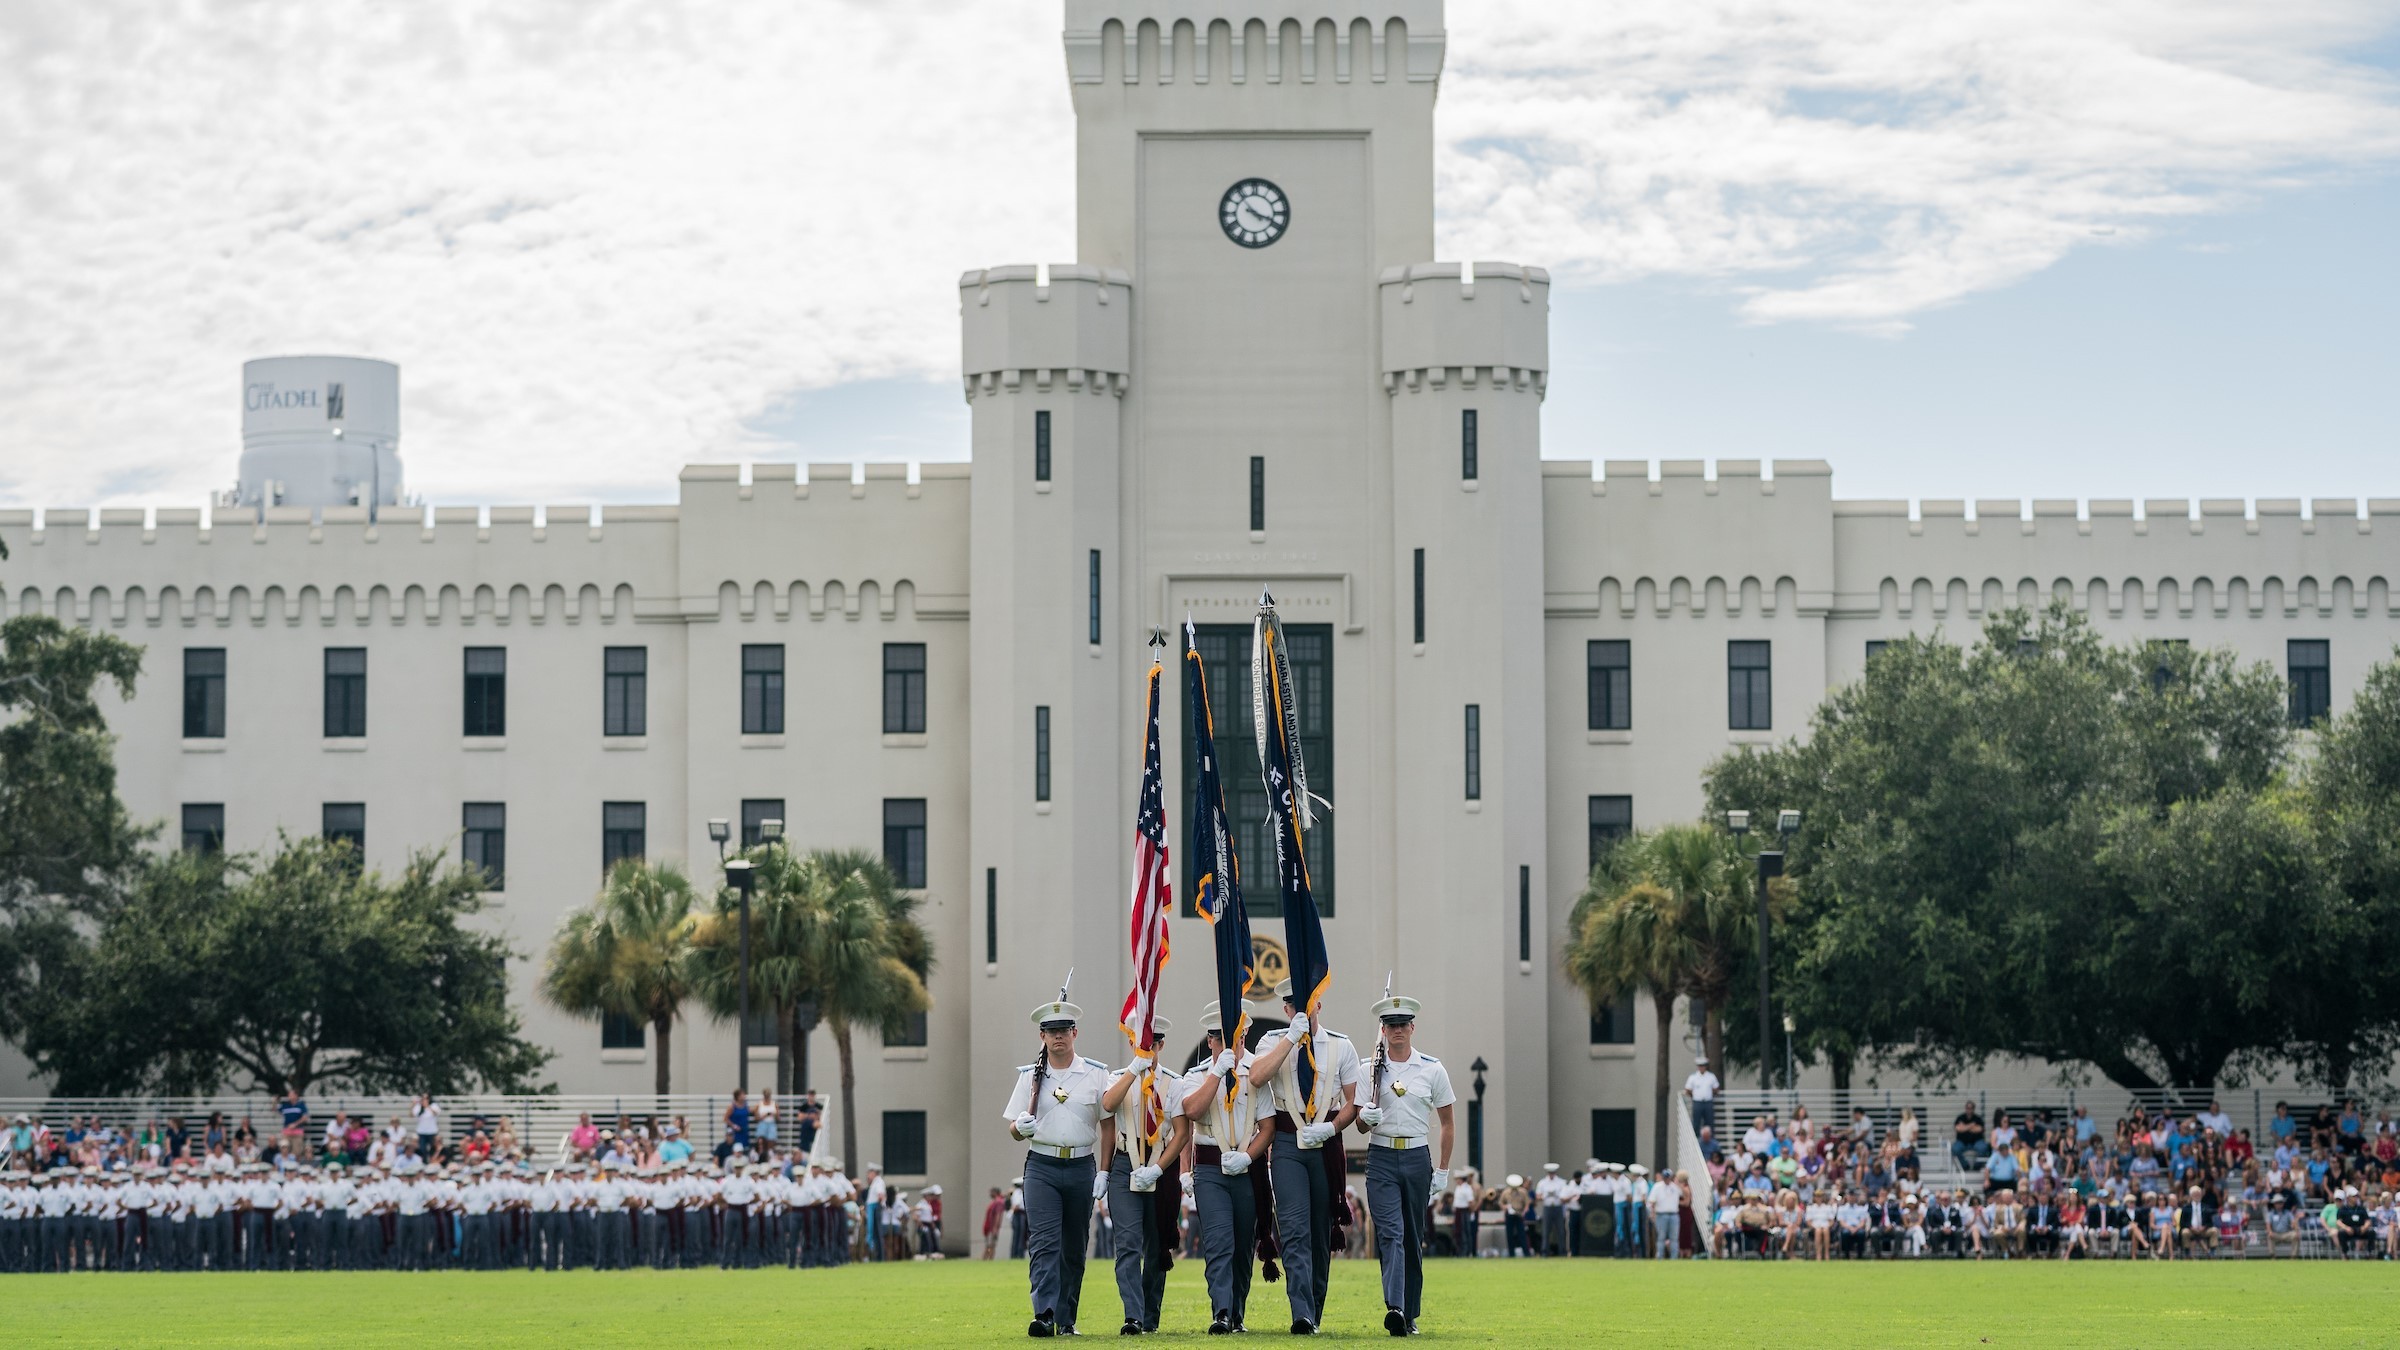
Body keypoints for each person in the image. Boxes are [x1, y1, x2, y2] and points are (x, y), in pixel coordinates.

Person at [1246, 977, 1363, 1336]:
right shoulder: (1271, 1041)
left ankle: (1314, 1306)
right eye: (1294, 1006)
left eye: (1307, 1005)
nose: (1301, 1010)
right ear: (1285, 1010)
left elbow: (1353, 1101)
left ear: (1319, 1006)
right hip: (1286, 1143)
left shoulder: (1341, 1046)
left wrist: (1332, 1128)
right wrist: (1290, 1039)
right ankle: (1301, 1313)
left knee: (1318, 1231)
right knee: (1294, 1230)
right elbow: (1256, 1076)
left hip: (1325, 1143)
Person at [1001, 991, 1113, 1338]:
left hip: (1081, 1166)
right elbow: (1013, 1129)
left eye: (1065, 1029)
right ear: (1042, 1036)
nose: (1059, 1036)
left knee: (1074, 1246)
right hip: (1042, 1167)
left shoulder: (1096, 1074)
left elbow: (1107, 1126)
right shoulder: (1029, 1076)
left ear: (1075, 1033)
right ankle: (1045, 1313)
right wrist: (1020, 1127)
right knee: (1045, 1243)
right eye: (1051, 1030)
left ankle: (1067, 1319)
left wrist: (1104, 1171)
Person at [1346, 990, 1454, 1336]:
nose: (1397, 1031)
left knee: (1411, 1235)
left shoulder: (1432, 1069)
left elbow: (1448, 1123)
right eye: (1391, 1025)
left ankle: (1410, 1312)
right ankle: (1395, 1307)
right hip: (1380, 1157)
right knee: (1391, 1234)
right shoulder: (1370, 1070)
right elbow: (1360, 1123)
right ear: (1383, 1029)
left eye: (1402, 1024)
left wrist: (1443, 1170)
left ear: (1412, 1028)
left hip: (1416, 1156)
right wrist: (1367, 1116)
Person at [1181, 999, 1277, 1335]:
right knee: (1219, 1242)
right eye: (1218, 1039)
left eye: (1233, 1037)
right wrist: (1215, 1073)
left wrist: (1249, 1157)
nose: (1226, 1045)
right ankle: (1220, 1311)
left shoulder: (1257, 1073)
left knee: (1241, 1244)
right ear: (1209, 1041)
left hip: (1247, 1166)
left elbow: (1267, 1127)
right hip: (1210, 1167)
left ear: (1245, 1035)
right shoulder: (1197, 1075)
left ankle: (1237, 1312)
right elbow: (1192, 1111)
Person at [1101, 1014, 1189, 1335]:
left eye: (1152, 1043)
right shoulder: (1117, 1077)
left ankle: (1150, 1316)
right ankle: (1133, 1316)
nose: (1146, 1048)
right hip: (1126, 1162)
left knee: (1156, 1246)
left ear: (1160, 1044)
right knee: (1127, 1244)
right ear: (1131, 1042)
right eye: (1140, 1042)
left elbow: (1181, 1133)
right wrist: (1132, 1072)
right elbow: (1108, 1105)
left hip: (1160, 1164)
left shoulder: (1174, 1083)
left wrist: (1158, 1168)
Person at [1682, 1058, 1719, 1136]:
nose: (1701, 1068)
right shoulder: (1693, 1077)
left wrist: (1709, 1093)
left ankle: (1709, 1139)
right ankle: (1697, 1138)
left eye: (1703, 1066)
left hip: (1708, 1102)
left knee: (1709, 1122)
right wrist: (1694, 1096)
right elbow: (1688, 1089)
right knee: (1696, 1122)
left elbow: (1716, 1088)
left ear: (1706, 1066)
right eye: (1700, 1066)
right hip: (1697, 1102)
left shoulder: (1711, 1076)